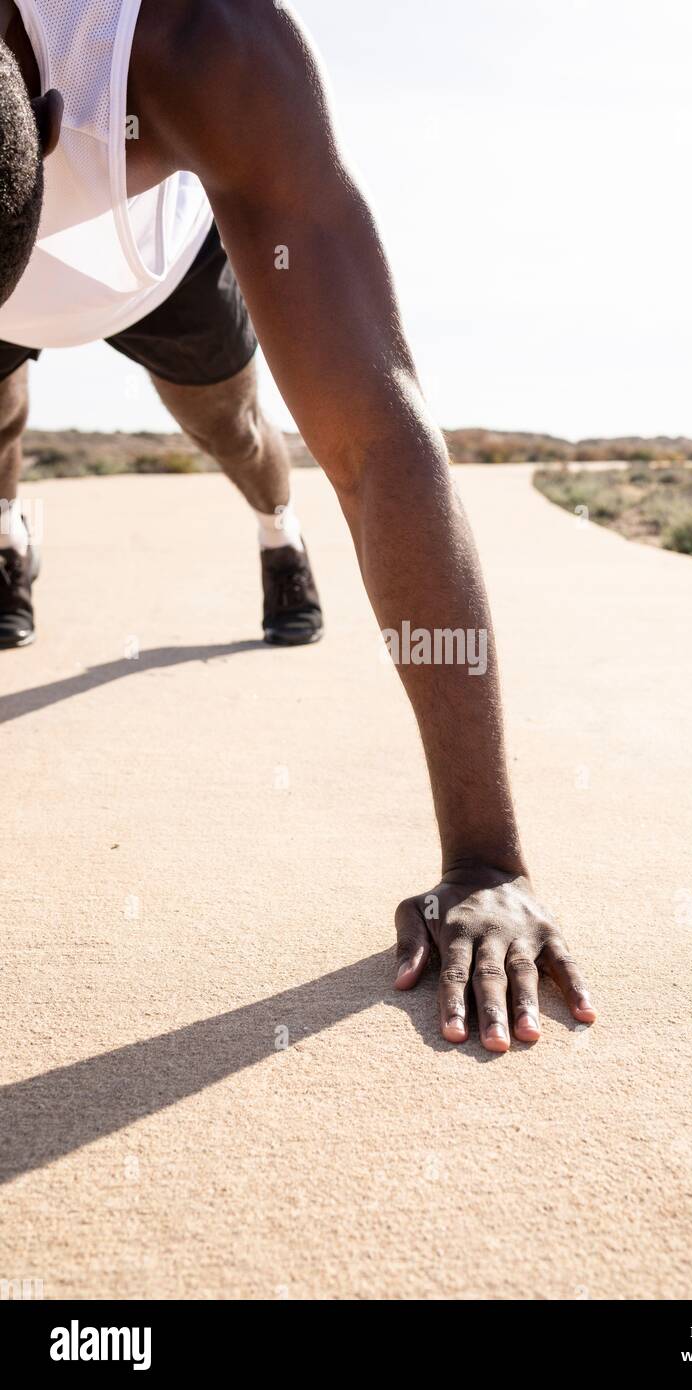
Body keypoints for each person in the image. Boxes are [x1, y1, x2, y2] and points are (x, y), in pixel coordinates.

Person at [0, 0, 596, 1051]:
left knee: (230, 427)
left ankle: (276, 525)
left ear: (51, 123)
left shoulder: (204, 45)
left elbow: (374, 443)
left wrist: (485, 858)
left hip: (147, 266)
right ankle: (9, 526)